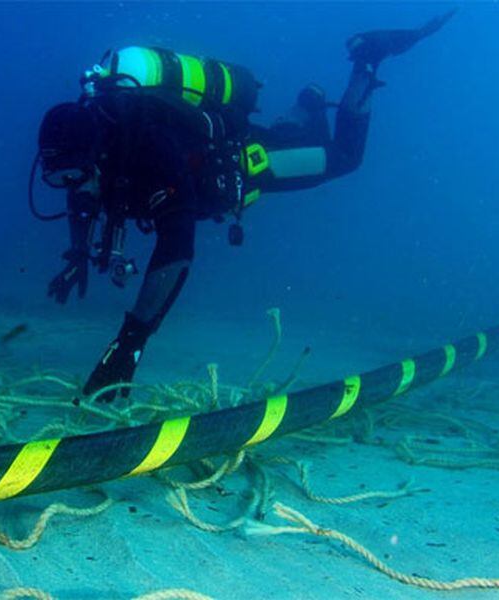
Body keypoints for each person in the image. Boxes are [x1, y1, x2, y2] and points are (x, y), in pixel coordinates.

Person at [33, 10, 455, 402]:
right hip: (222, 153)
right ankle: (306, 106)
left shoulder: (149, 151)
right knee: (278, 136)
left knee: (343, 157)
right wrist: (77, 254)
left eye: (74, 173)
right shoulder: (96, 154)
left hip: (248, 164)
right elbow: (82, 195)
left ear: (97, 150)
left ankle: (368, 61)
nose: (73, 186)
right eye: (59, 178)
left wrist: (131, 341)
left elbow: (177, 247)